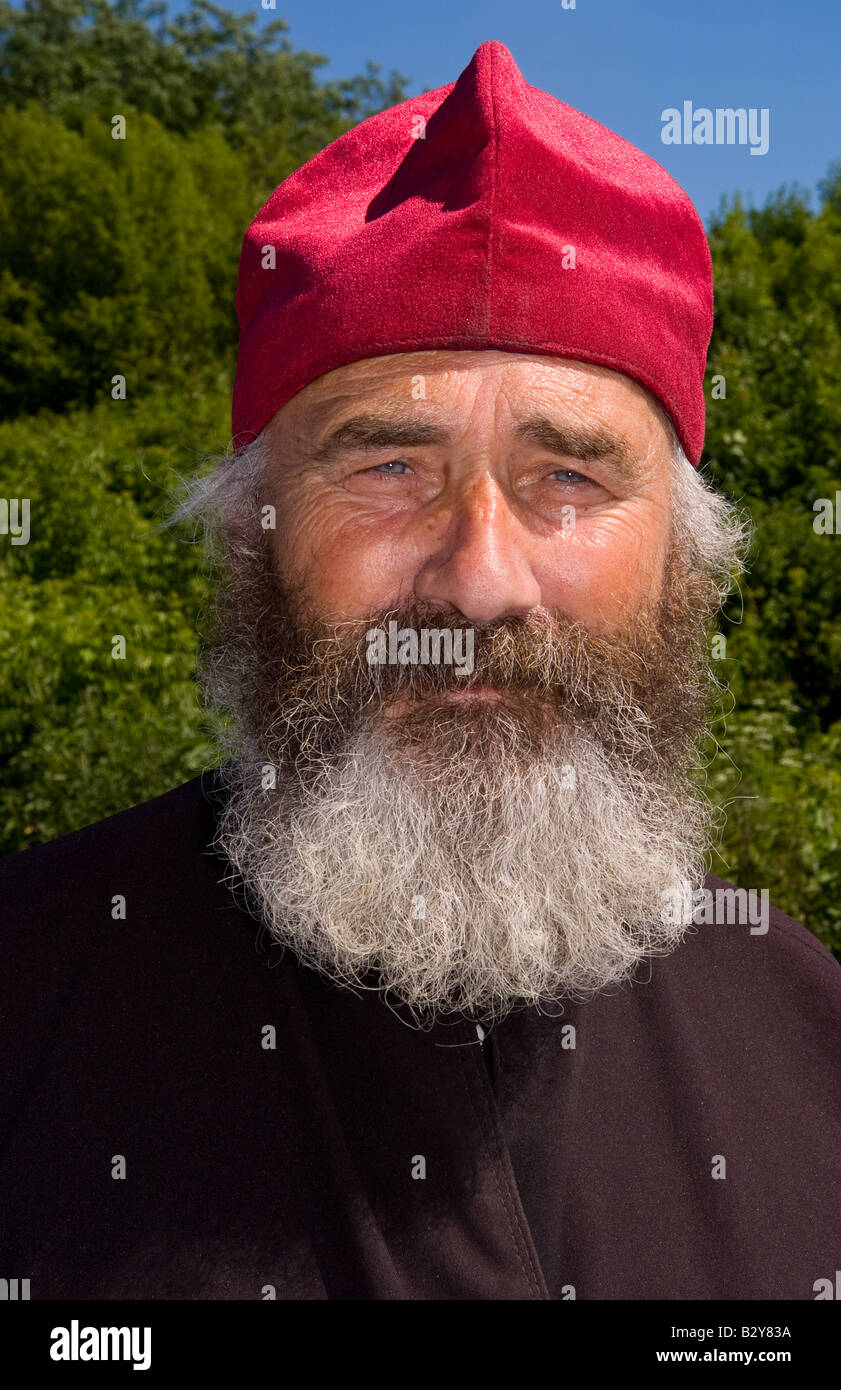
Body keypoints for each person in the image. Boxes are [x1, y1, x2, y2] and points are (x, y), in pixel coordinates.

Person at [2, 40, 839, 1302]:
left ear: (685, 564)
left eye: (572, 478)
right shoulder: (26, 996)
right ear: (249, 535)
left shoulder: (803, 1026)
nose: (480, 579)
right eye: (388, 469)